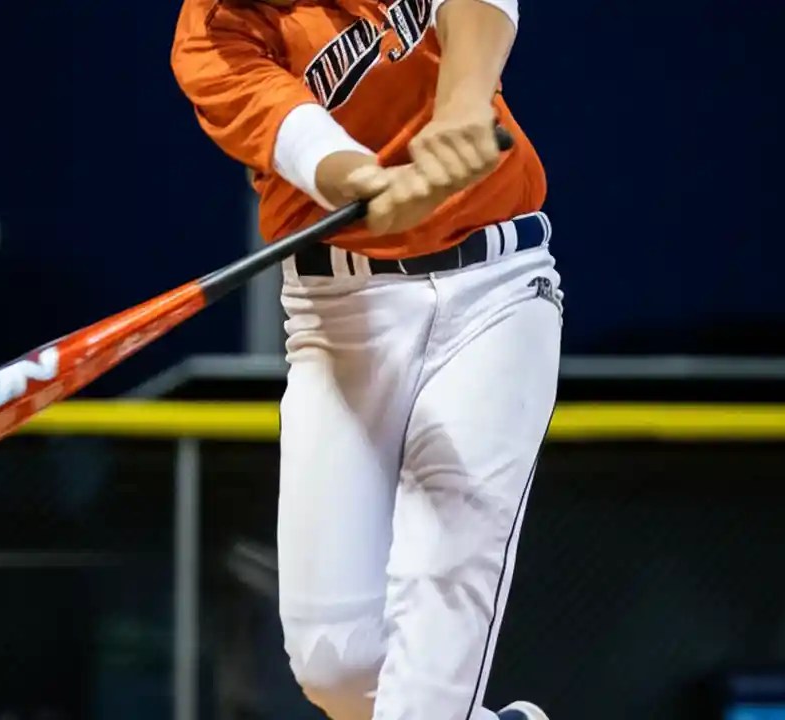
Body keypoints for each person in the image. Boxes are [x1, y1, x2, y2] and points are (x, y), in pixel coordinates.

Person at [172, 2, 559, 720]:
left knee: (441, 590)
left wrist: (463, 104)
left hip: (495, 289)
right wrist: (368, 183)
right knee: (335, 662)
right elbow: (312, 146)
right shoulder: (212, 36)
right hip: (337, 316)